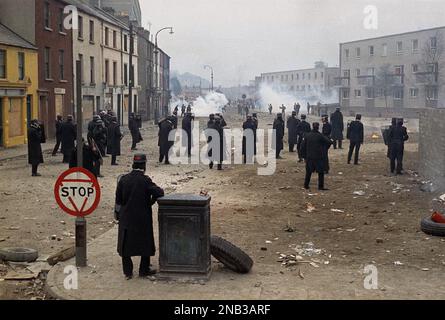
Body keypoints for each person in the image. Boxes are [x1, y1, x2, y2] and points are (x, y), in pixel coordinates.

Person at [115, 154, 165, 280]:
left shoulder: (123, 180)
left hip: (126, 217)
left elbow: (118, 201)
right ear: (144, 165)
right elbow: (159, 193)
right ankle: (144, 269)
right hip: (142, 217)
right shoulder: (145, 180)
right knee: (145, 243)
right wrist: (150, 202)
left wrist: (118, 215)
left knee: (125, 245)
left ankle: (128, 272)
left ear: (133, 165)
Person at [301, 122, 332, 190]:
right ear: (318, 127)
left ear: (312, 127)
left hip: (309, 157)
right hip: (318, 157)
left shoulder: (307, 135)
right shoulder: (320, 136)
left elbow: (302, 146)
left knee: (308, 172)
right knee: (320, 172)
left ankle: (306, 185)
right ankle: (320, 187)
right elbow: (329, 142)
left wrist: (304, 156)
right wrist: (324, 149)